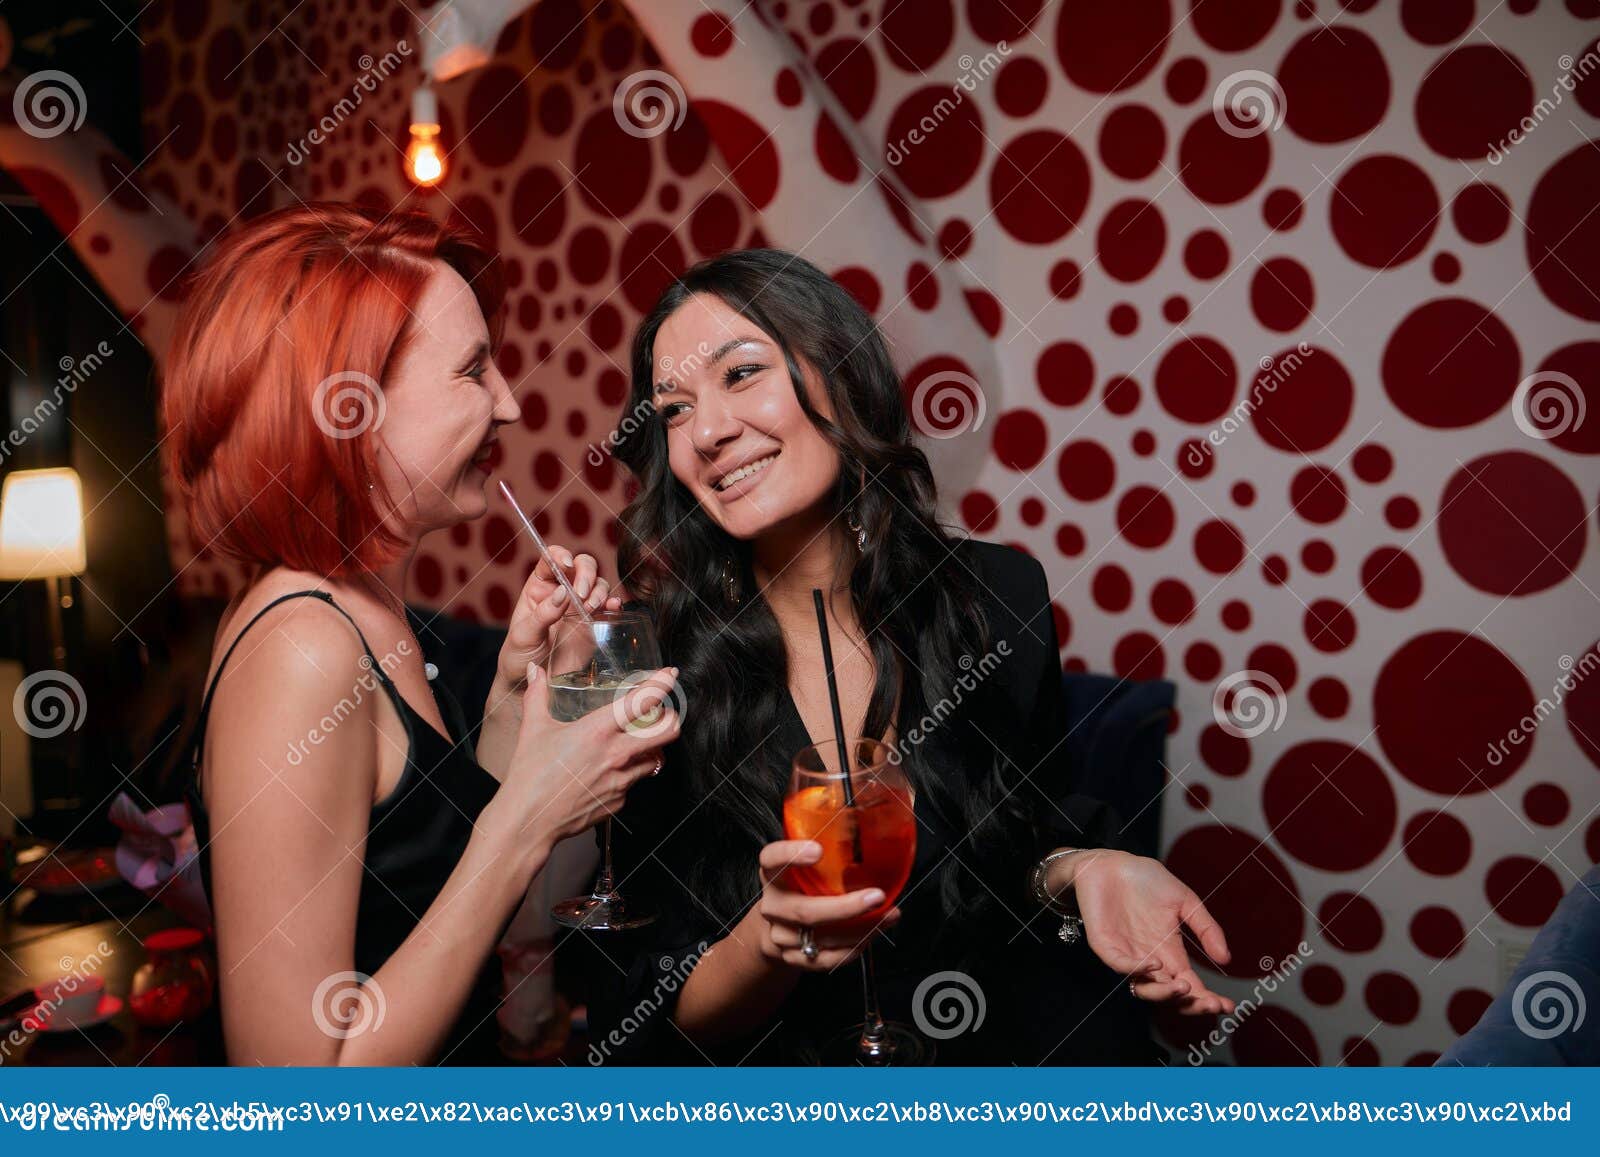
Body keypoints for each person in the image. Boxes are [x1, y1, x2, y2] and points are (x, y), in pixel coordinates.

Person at [592, 249, 1236, 1064]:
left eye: (742, 373)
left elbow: (1012, 846)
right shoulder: (656, 664)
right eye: (674, 410)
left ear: (842, 372)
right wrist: (765, 944)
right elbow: (640, 1015)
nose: (709, 432)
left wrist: (1086, 867)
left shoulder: (996, 596)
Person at [163, 203, 679, 1064]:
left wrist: (518, 691)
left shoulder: (364, 605)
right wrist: (525, 815)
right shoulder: (303, 647)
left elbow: (444, 905)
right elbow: (295, 1093)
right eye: (474, 370)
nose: (510, 404)